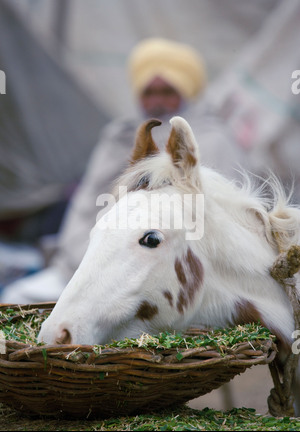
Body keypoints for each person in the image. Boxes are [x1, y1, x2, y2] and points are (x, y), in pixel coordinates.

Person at [1, 37, 247, 304]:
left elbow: (212, 220)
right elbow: (86, 205)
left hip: (166, 275)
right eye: (149, 93)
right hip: (85, 261)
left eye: (167, 92)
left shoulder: (209, 140)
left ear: (188, 91)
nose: (157, 102)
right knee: (19, 298)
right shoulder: (120, 136)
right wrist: (82, 259)